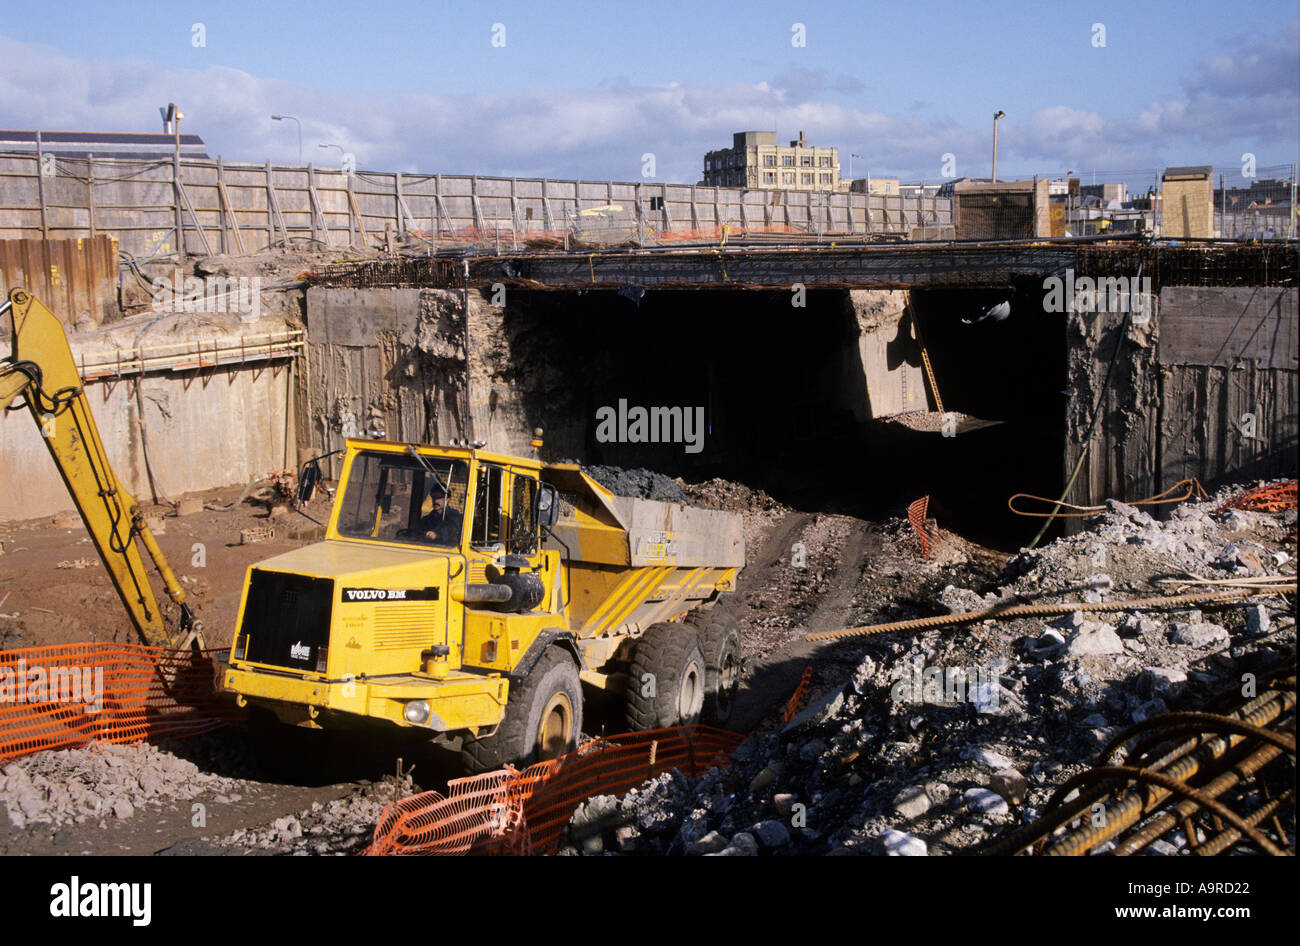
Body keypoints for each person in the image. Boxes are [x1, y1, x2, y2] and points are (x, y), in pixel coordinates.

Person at [415, 481, 463, 545]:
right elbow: (418, 531)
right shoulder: (427, 519)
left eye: (439, 497)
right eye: (434, 497)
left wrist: (437, 534)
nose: (435, 501)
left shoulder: (454, 516)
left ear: (447, 499)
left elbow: (451, 529)